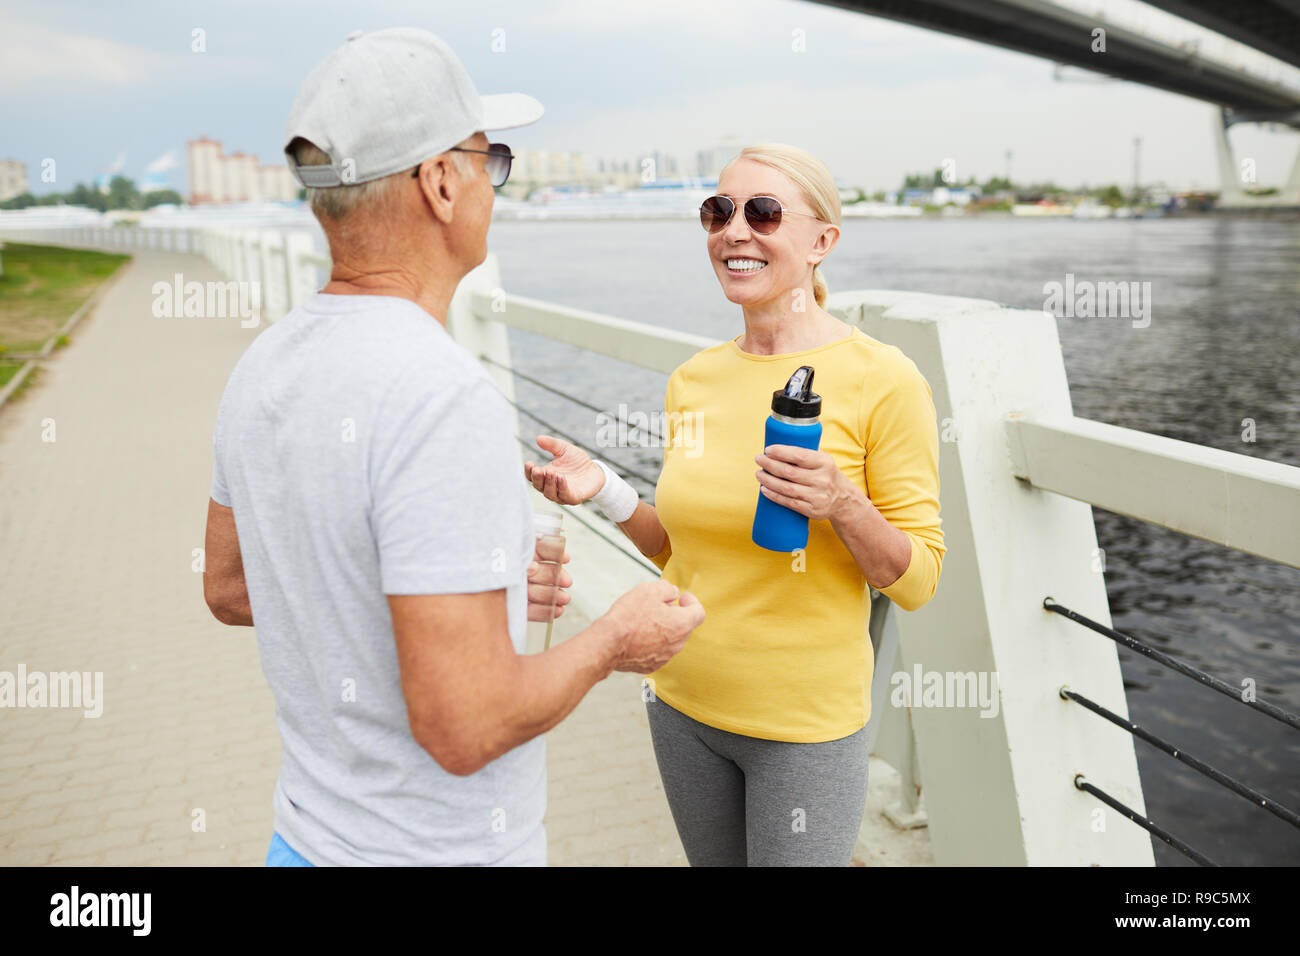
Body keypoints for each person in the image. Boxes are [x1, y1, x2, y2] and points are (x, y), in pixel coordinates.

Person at [201, 27, 704, 867]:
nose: (495, 184)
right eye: (489, 157)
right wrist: (617, 638)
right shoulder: (441, 396)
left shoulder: (266, 364)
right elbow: (465, 726)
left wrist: (477, 602)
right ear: (440, 182)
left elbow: (227, 586)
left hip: (304, 838)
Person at [525, 143, 945, 866]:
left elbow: (916, 580)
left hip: (804, 727)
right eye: (717, 213)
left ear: (822, 242)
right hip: (683, 705)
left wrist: (843, 501)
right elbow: (677, 548)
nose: (734, 231)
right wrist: (608, 490)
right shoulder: (694, 379)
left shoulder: (886, 380)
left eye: (763, 212)